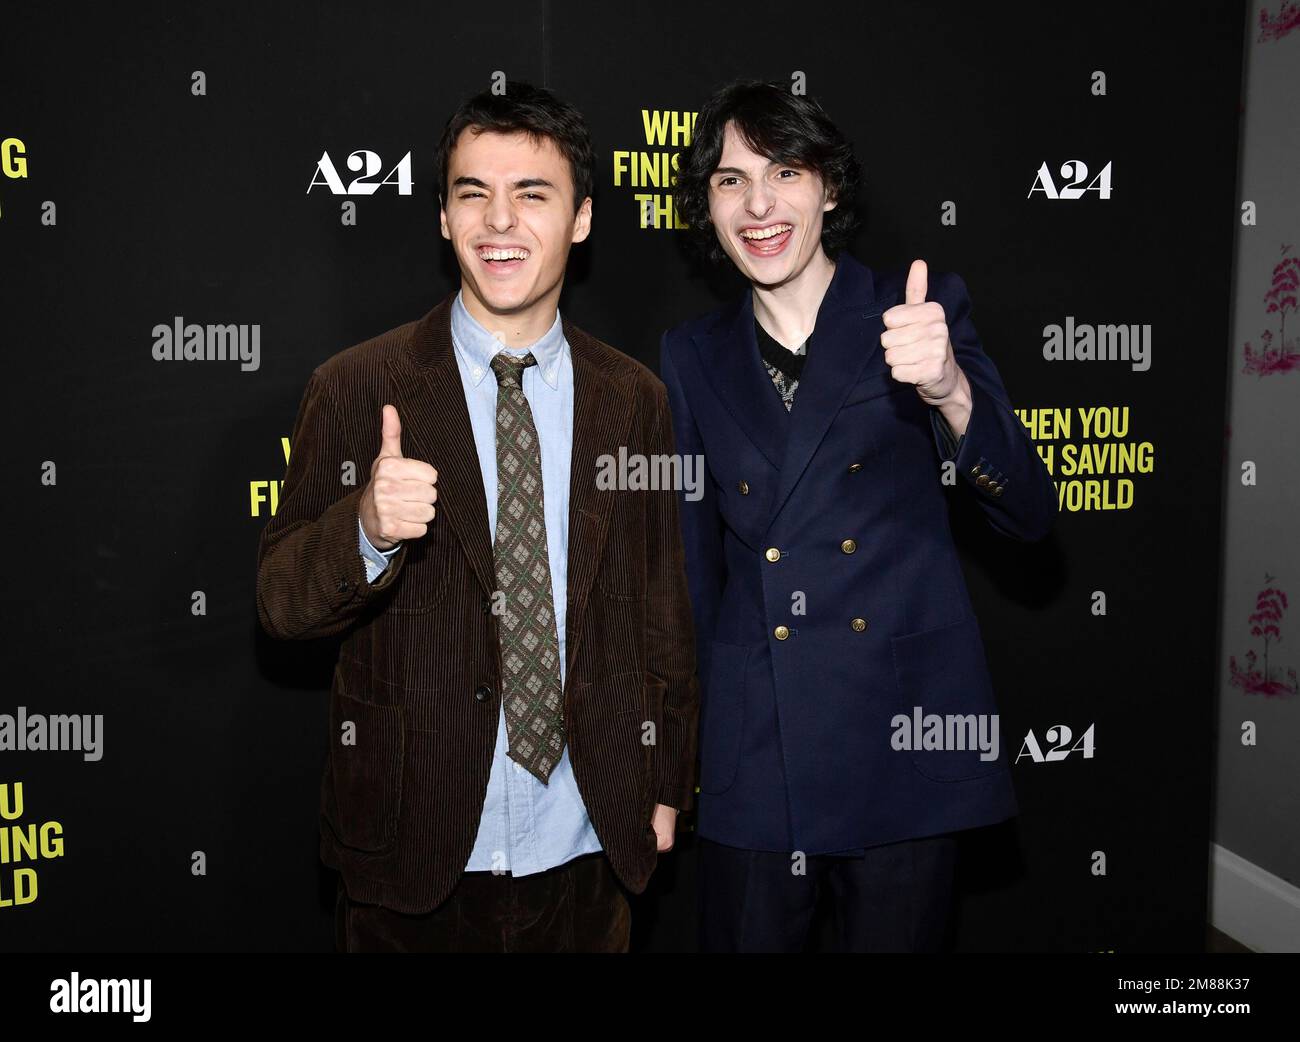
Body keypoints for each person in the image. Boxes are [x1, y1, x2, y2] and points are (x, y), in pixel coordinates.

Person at [256, 82, 698, 952]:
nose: (501, 222)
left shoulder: (633, 399)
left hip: (587, 845)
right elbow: (278, 601)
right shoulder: (356, 386)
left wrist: (668, 780)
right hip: (412, 851)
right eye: (473, 194)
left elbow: (662, 610)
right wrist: (365, 531)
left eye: (532, 194)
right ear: (445, 220)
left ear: (581, 219)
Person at [661, 79, 1057, 952]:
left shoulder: (918, 311)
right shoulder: (690, 355)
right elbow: (694, 572)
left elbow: (1030, 515)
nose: (759, 204)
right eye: (731, 181)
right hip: (757, 747)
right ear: (709, 208)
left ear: (829, 189)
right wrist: (675, 756)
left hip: (902, 735)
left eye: (786, 172)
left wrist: (950, 391)